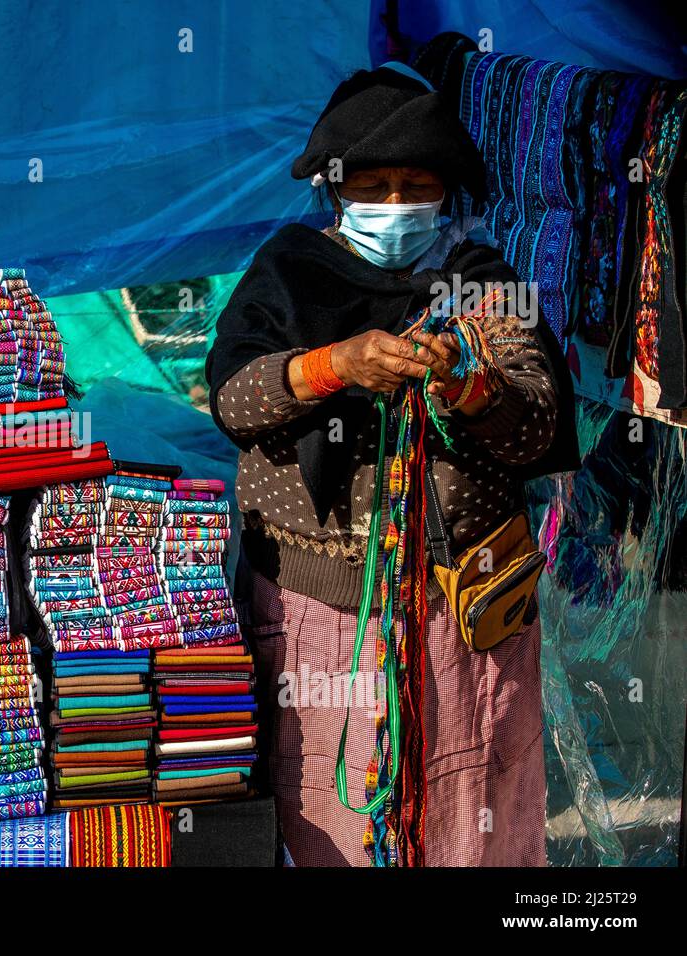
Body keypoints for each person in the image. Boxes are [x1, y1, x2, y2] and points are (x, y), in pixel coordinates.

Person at [206, 64, 577, 866]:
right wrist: (332, 364)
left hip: (464, 611)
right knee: (329, 812)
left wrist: (465, 383)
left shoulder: (485, 286)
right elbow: (235, 402)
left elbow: (540, 427)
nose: (398, 204)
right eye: (375, 184)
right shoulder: (290, 273)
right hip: (321, 615)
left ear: (447, 192)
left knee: (469, 813)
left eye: (417, 186)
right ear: (337, 192)